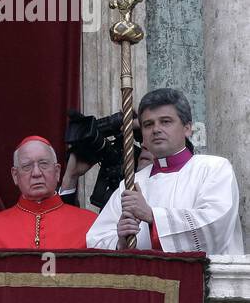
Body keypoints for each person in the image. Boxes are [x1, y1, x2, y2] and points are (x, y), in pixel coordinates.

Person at [88, 88, 244, 253]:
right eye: (148, 124)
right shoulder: (130, 183)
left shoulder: (214, 168)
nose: (156, 129)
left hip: (202, 277)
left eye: (166, 121)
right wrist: (120, 242)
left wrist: (152, 217)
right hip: (143, 276)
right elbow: (96, 239)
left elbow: (215, 225)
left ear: (187, 128)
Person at [0, 135, 96, 249]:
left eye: (44, 164)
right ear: (15, 175)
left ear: (57, 172)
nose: (36, 173)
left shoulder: (91, 224)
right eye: (27, 166)